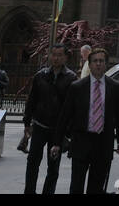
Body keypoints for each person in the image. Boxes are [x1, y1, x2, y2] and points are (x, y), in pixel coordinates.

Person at [52, 48, 119, 194]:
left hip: (103, 144)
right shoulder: (77, 87)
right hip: (81, 143)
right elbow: (65, 116)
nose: (98, 64)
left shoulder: (115, 87)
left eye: (101, 61)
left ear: (106, 64)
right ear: (90, 64)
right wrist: (57, 142)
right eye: (95, 61)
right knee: (76, 187)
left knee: (96, 188)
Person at [21, 44, 77, 194]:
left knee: (53, 167)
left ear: (65, 57)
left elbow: (71, 108)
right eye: (53, 54)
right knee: (32, 162)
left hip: (57, 130)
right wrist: (27, 122)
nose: (56, 58)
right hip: (40, 125)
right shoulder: (40, 75)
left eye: (59, 55)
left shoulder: (71, 78)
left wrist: (68, 132)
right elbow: (32, 100)